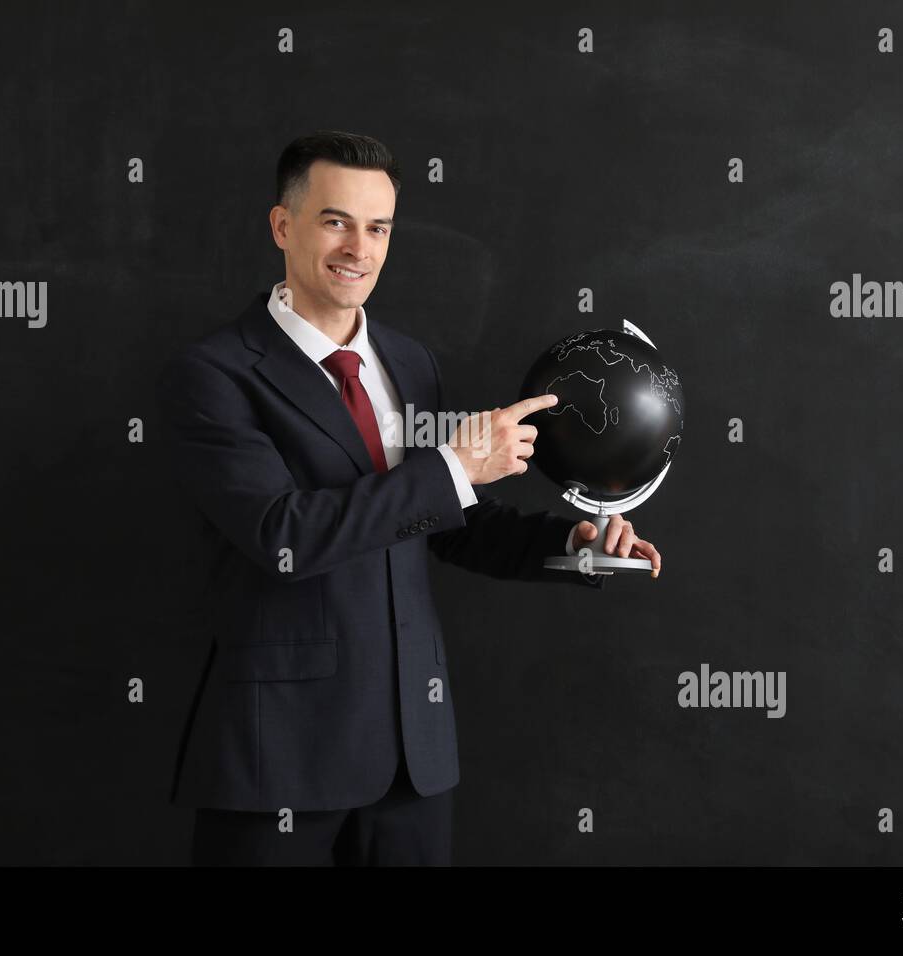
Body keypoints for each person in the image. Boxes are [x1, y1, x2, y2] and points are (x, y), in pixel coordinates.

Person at [155, 130, 661, 866]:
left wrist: (572, 545)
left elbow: (444, 523)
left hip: (411, 764)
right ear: (282, 226)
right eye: (335, 221)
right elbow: (280, 533)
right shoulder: (213, 374)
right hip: (281, 764)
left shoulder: (410, 362)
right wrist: (456, 467)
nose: (359, 247)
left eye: (378, 227)